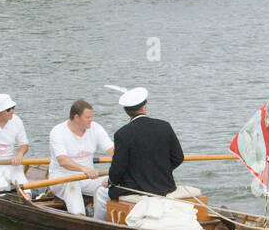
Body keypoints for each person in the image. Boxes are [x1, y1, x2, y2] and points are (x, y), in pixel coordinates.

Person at [94, 87, 184, 220]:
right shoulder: (165, 126)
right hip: (165, 186)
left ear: (126, 111)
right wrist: (159, 171)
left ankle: (101, 226)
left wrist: (111, 181)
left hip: (134, 188)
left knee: (101, 193)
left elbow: (117, 170)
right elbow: (178, 157)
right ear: (144, 106)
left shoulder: (122, 134)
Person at [48, 99, 114, 216]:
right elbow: (62, 161)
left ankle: (104, 216)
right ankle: (80, 217)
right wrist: (85, 169)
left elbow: (112, 151)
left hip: (88, 178)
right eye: (87, 117)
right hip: (62, 179)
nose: (91, 120)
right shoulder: (58, 132)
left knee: (116, 181)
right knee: (73, 185)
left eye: (91, 117)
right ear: (76, 117)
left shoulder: (95, 128)